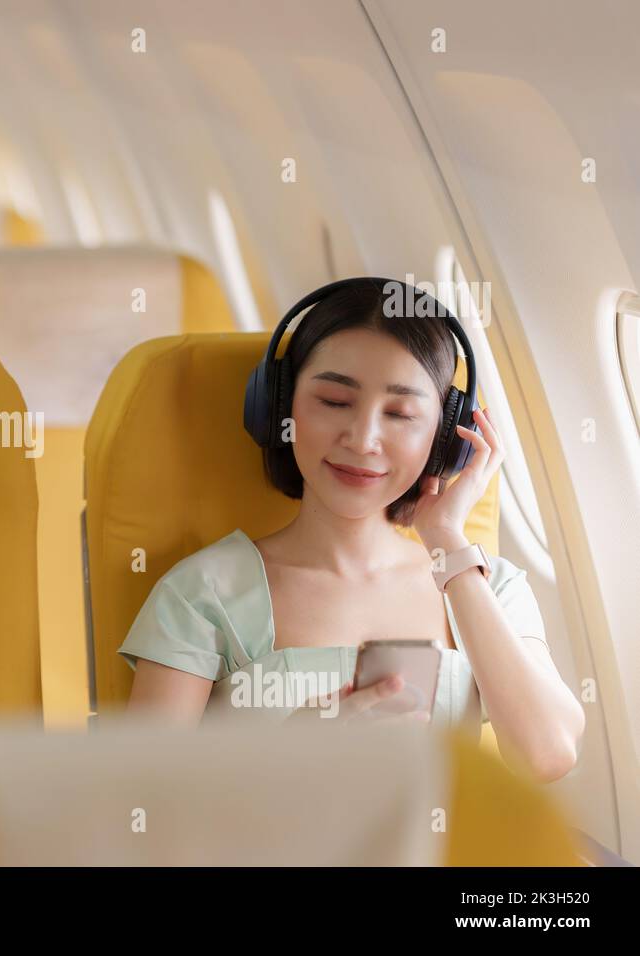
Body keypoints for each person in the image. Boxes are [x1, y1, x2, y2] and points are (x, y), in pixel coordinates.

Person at [118, 279, 584, 782]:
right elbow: (143, 803)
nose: (363, 440)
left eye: (401, 414)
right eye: (335, 401)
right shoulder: (202, 594)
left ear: (444, 439)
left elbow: (547, 755)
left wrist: (447, 540)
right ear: (278, 409)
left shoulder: (490, 586)